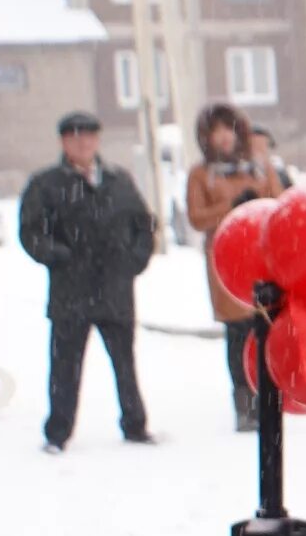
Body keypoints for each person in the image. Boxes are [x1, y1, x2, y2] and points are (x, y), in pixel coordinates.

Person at [20, 112, 156, 453]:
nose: (83, 143)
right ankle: (58, 432)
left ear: (97, 140)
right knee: (65, 366)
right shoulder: (46, 184)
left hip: (115, 288)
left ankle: (135, 425)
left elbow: (144, 224)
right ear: (63, 142)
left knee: (125, 363)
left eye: (89, 136)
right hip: (71, 291)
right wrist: (59, 256)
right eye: (75, 137)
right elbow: (31, 232)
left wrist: (134, 260)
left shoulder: (118, 180)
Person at [186, 102, 284, 432]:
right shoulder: (201, 174)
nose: (224, 137)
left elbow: (280, 203)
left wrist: (258, 204)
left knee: (268, 331)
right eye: (216, 131)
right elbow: (197, 218)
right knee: (238, 336)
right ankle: (244, 405)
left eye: (228, 129)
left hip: (263, 258)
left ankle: (270, 397)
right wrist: (230, 206)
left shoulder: (260, 168)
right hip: (226, 261)